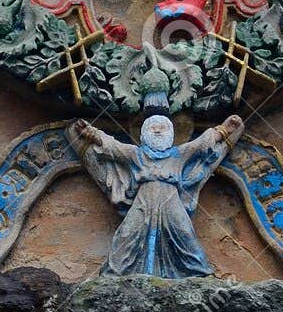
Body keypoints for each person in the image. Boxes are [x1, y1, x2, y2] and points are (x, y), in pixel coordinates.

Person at [68, 113, 243, 278]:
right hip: (143, 201)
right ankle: (114, 273)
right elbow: (114, 147)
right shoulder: (137, 154)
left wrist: (223, 130)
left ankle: (200, 271)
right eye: (153, 128)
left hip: (171, 200)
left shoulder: (178, 154)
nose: (158, 131)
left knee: (184, 232)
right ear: (144, 135)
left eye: (163, 128)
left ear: (171, 135)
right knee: (127, 233)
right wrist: (91, 132)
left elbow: (198, 145)